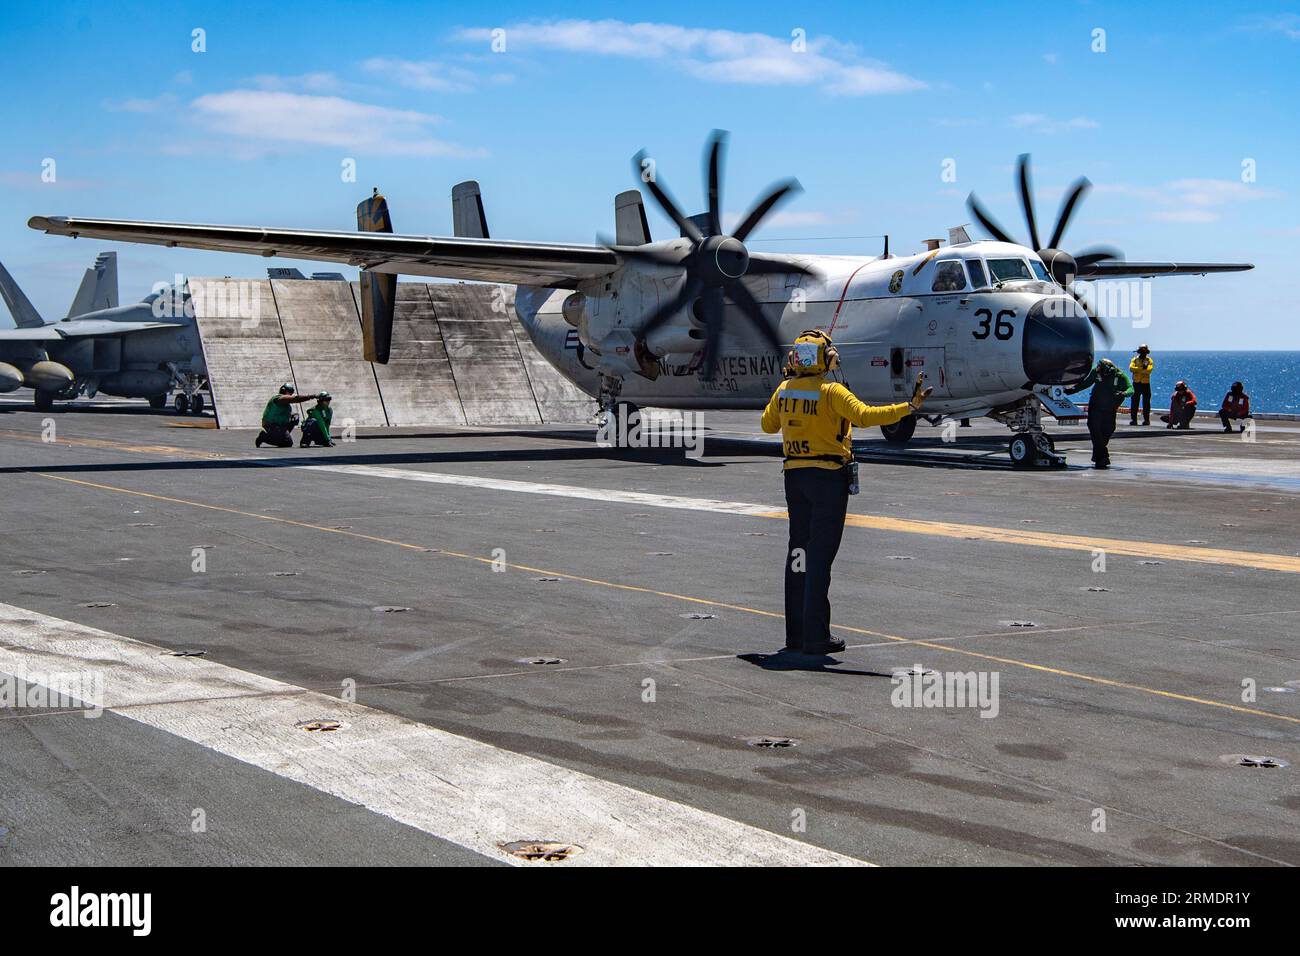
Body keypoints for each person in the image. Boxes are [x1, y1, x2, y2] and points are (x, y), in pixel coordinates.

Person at [760, 329, 931, 656]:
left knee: (799, 554)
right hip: (827, 479)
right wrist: (908, 407)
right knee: (820, 559)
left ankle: (795, 635)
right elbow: (866, 416)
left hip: (794, 477)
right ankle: (815, 638)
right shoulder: (832, 392)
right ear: (825, 358)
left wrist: (788, 389)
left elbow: (768, 426)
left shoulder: (784, 391)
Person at [1065, 358, 1132, 469]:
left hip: (1110, 409)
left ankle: (1098, 456)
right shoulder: (1096, 371)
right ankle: (1103, 458)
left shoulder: (1119, 376)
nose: (1098, 370)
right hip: (1095, 407)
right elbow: (1086, 383)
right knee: (1095, 429)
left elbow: (1131, 389)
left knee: (1109, 430)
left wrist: (1124, 393)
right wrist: (1071, 390)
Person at [254, 382, 321, 448]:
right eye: (290, 391)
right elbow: (295, 399)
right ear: (283, 391)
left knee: (295, 417)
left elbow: (282, 413)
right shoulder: (279, 399)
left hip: (280, 424)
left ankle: (281, 436)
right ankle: (263, 437)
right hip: (271, 425)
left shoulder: (286, 403)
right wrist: (311, 396)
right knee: (288, 443)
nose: (291, 393)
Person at [1129, 344, 1154, 425]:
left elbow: (1149, 370)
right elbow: (1131, 368)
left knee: (1146, 403)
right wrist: (1142, 369)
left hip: (1145, 384)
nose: (1143, 354)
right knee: (1134, 402)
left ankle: (1146, 420)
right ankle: (1134, 420)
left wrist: (1137, 370)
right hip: (1136, 383)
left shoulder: (1149, 360)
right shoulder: (1134, 360)